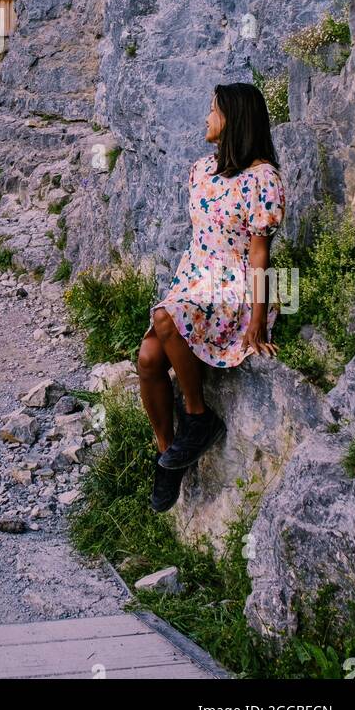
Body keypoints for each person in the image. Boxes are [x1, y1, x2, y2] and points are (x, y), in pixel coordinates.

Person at [137, 82, 286, 514]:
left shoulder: (264, 179)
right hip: (195, 280)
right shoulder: (202, 170)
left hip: (232, 289)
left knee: (165, 318)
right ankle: (169, 456)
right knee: (147, 360)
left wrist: (258, 318)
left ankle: (198, 416)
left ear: (233, 120)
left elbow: (260, 253)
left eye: (213, 110)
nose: (206, 117)